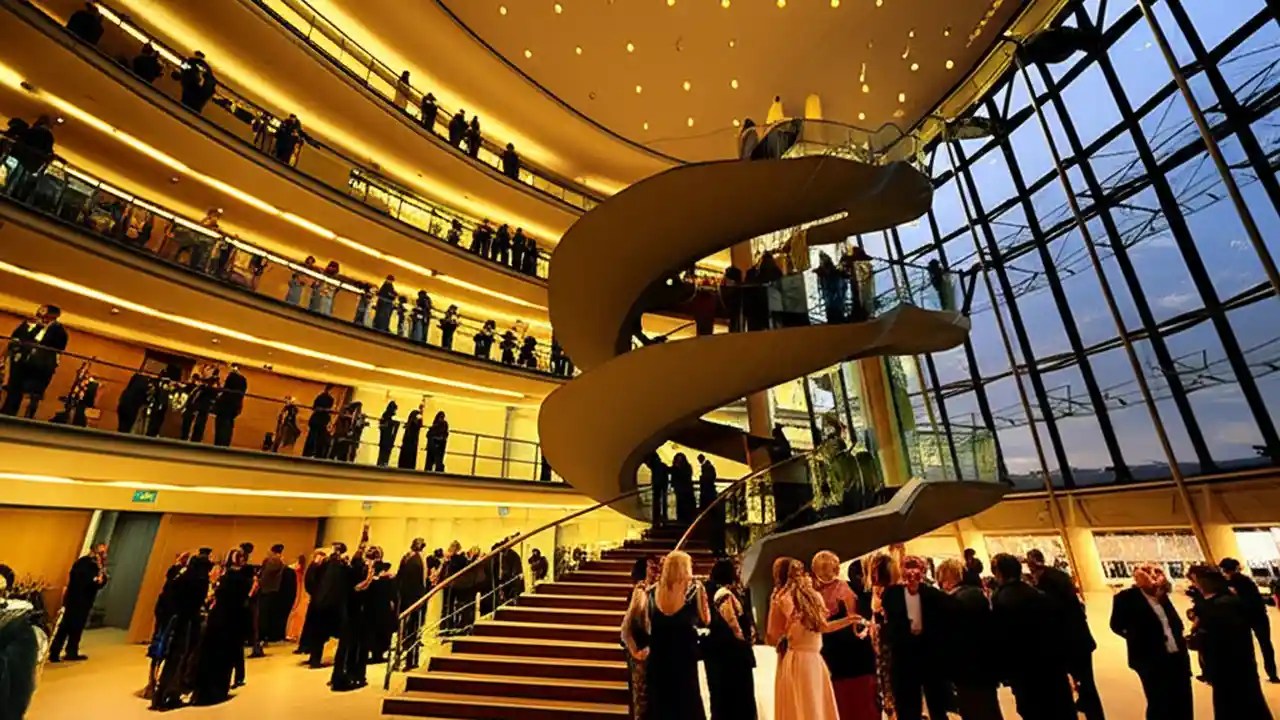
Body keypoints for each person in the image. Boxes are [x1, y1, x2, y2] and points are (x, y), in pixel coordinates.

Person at [769, 557, 861, 720]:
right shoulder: (797, 599)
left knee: (808, 706)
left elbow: (773, 635)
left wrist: (849, 620)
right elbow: (822, 627)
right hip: (805, 659)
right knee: (811, 706)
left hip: (806, 659)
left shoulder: (798, 599)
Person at [989, 553, 1074, 720]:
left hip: (1024, 670)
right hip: (1051, 665)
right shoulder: (1037, 594)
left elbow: (1002, 639)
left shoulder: (1001, 600)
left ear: (998, 573)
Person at [1027, 548, 1104, 720]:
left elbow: (1053, 613)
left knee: (1082, 685)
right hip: (1080, 638)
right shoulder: (1059, 576)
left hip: (1068, 642)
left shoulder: (1046, 583)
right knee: (1086, 684)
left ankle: (1092, 712)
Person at [632, 551, 710, 719]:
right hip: (684, 659)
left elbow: (644, 623)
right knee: (687, 706)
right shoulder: (694, 590)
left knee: (661, 708)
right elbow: (706, 619)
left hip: (658, 659)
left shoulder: (651, 592)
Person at [1109, 563, 1191, 720]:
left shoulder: (1162, 595)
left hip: (1176, 656)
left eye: (1155, 572)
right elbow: (1116, 625)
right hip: (1150, 659)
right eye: (1146, 572)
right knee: (1159, 702)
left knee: (1182, 701)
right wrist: (1139, 639)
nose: (1152, 576)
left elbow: (1173, 622)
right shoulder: (1126, 598)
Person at [1190, 564, 1273, 718]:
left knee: (1235, 706)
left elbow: (1219, 638)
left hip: (1229, 667)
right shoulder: (1226, 601)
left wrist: (1198, 637)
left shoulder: (1219, 606)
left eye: (1195, 582)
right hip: (1240, 665)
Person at [880, 555, 950, 720]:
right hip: (904, 654)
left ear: (923, 571)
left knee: (937, 703)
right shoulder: (891, 594)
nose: (912, 574)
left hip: (929, 654)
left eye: (915, 569)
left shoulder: (933, 594)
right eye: (908, 569)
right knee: (907, 704)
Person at [811, 552, 877, 720]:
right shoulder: (843, 589)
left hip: (840, 655)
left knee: (845, 702)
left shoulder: (817, 593)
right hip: (844, 655)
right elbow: (855, 624)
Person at [935, 558, 1003, 720]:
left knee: (973, 710)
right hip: (985, 664)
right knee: (990, 708)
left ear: (945, 580)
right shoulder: (979, 596)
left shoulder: (952, 603)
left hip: (965, 668)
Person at [190, 548, 252, 705]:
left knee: (211, 657)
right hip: (232, 622)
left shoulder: (228, 578)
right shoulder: (243, 579)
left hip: (219, 621)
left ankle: (205, 691)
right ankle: (218, 689)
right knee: (225, 658)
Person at [701, 558, 756, 719]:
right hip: (732, 653)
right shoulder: (723, 593)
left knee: (720, 697)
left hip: (717, 653)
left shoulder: (708, 591)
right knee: (737, 697)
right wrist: (743, 640)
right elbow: (733, 623)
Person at [3, 305, 70, 418]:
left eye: (45, 313)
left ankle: (27, 418)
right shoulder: (31, 324)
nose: (41, 316)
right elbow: (17, 338)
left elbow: (58, 348)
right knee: (14, 390)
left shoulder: (59, 331)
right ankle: (7, 414)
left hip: (40, 366)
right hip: (21, 361)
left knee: (33, 394)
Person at [1220, 557, 1280, 682]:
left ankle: (1252, 674)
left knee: (1247, 647)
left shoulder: (1228, 584)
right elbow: (1256, 598)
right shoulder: (1246, 581)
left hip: (1244, 617)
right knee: (1265, 645)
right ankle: (1272, 674)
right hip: (1259, 616)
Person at [49, 543, 108, 663]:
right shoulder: (83, 563)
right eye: (101, 552)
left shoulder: (98, 565)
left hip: (86, 600)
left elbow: (101, 581)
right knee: (66, 626)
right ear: (94, 551)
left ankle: (72, 651)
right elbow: (81, 580)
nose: (104, 555)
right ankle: (54, 652)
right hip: (76, 599)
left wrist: (101, 579)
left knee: (78, 627)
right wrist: (95, 580)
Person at [621, 556, 655, 719]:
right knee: (641, 698)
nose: (654, 570)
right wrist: (634, 650)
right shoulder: (640, 592)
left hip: (644, 647)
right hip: (640, 647)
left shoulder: (648, 590)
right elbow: (626, 627)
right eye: (650, 567)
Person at [6, 116, 56, 201]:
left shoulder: (32, 131)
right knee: (21, 178)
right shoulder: (48, 136)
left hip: (21, 158)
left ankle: (9, 191)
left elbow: (20, 138)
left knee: (15, 175)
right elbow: (48, 151)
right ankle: (16, 195)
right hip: (31, 163)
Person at [396, 538, 427, 670]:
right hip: (413, 599)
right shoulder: (414, 560)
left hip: (410, 598)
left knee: (409, 629)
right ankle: (409, 660)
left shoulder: (410, 558)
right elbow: (415, 582)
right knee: (411, 630)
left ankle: (409, 657)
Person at [252, 544, 287, 655]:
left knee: (263, 615)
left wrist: (258, 582)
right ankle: (265, 636)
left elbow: (265, 575)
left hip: (266, 590)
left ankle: (262, 637)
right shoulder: (280, 561)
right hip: (273, 590)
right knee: (267, 614)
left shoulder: (271, 561)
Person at [212, 363, 247, 447]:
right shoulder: (242, 383)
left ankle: (219, 446)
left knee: (221, 429)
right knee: (227, 428)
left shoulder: (233, 380)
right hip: (233, 409)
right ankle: (223, 447)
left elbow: (225, 390)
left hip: (225, 408)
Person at [302, 384, 336, 458]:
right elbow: (315, 407)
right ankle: (313, 453)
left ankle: (311, 452)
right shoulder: (326, 398)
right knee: (316, 437)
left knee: (314, 437)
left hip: (318, 421)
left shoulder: (323, 397)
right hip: (319, 421)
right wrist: (324, 410)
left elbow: (314, 407)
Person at [670, 453, 696, 524]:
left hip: (686, 490)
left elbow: (686, 476)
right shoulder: (675, 468)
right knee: (680, 505)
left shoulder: (686, 468)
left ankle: (687, 519)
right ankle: (682, 519)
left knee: (686, 505)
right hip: (680, 490)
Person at [645, 452, 670, 527]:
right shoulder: (662, 465)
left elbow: (647, 463)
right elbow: (669, 471)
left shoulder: (653, 466)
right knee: (663, 502)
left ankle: (657, 518)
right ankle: (664, 517)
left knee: (656, 502)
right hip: (663, 485)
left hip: (657, 485)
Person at [398, 405, 423, 470]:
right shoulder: (413, 426)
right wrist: (421, 411)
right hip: (411, 444)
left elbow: (420, 422)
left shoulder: (410, 425)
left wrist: (421, 410)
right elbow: (420, 423)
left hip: (409, 444)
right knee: (409, 458)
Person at [376, 401, 399, 467]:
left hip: (387, 437)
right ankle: (382, 464)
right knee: (384, 452)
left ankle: (382, 464)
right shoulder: (386, 416)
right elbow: (383, 425)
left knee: (384, 452)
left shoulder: (386, 416)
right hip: (386, 437)